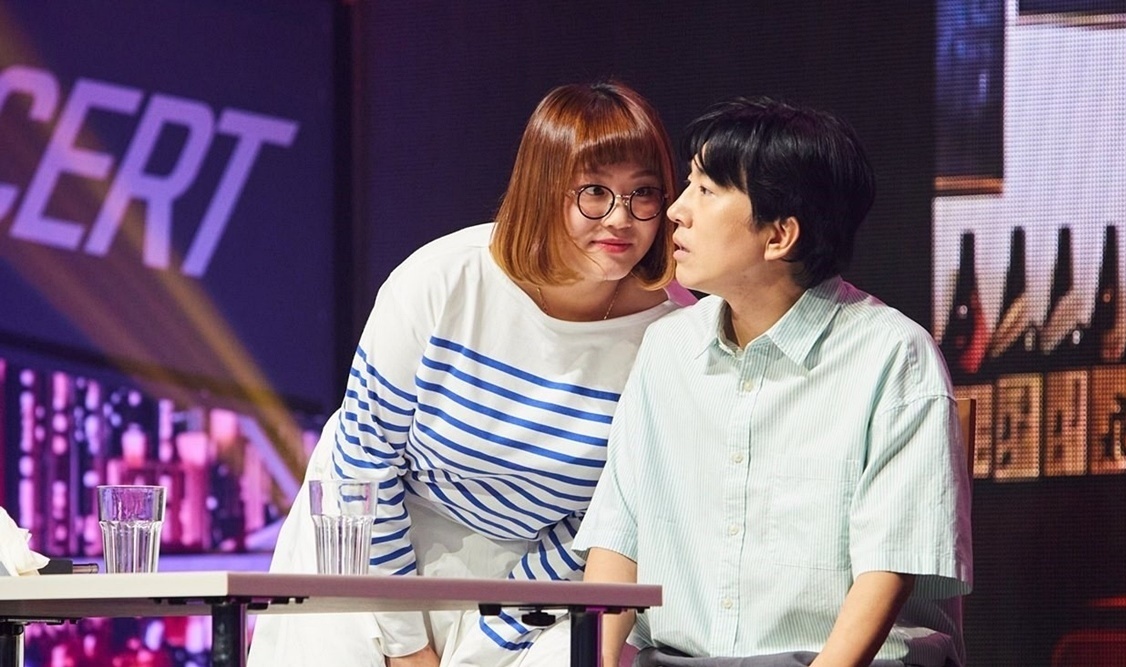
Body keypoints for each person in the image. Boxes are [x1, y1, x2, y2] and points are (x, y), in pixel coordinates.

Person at [247, 81, 691, 667]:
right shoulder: (442, 279)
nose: (620, 218)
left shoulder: (671, 332)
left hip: (538, 573)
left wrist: (490, 640)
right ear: (542, 188)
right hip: (367, 534)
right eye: (594, 192)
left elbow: (607, 519)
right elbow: (365, 463)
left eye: (643, 194)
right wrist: (407, 647)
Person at [575, 98, 974, 667]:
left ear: (780, 235)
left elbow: (889, 567)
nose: (676, 211)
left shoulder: (892, 356)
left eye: (706, 190)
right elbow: (619, 539)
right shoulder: (667, 348)